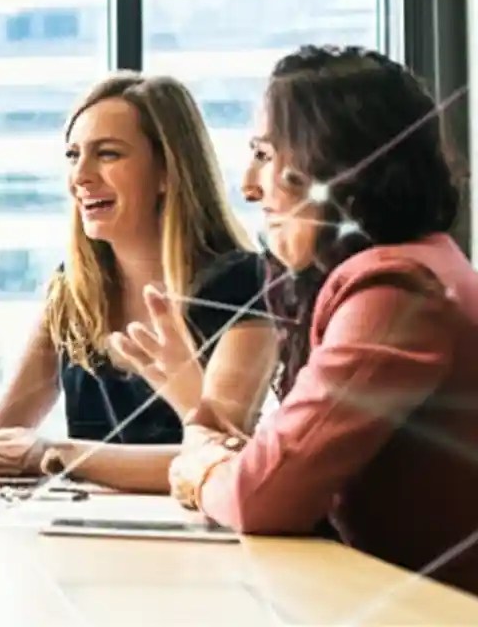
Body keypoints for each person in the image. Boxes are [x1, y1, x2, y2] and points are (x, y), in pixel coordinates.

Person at [120, 45, 478, 595]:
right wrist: (205, 424)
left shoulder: (395, 290)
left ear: (331, 161)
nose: (247, 185)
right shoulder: (420, 266)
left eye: (265, 154)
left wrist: (204, 469)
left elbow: (261, 497)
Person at [0, 72, 277, 492]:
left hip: (201, 539)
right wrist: (32, 455)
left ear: (168, 172)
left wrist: (56, 454)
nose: (81, 176)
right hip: (90, 538)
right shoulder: (71, 290)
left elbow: (221, 457)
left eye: (108, 155)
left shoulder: (246, 285)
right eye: (73, 155)